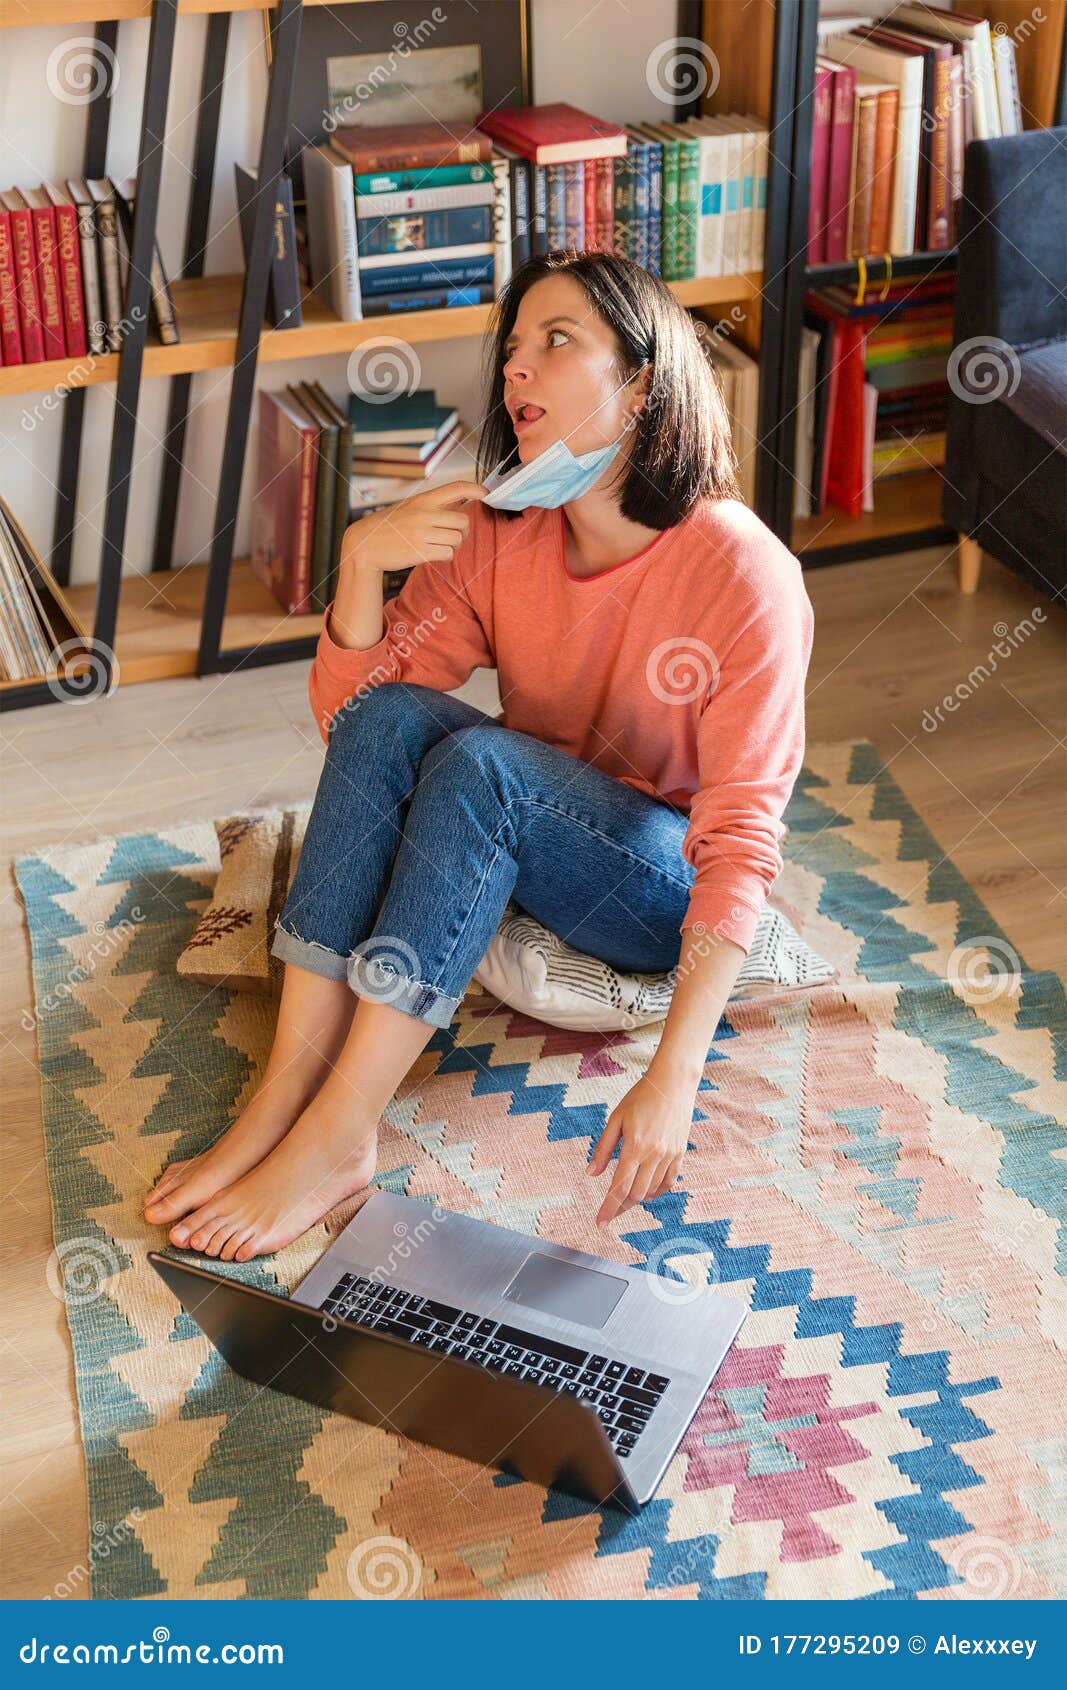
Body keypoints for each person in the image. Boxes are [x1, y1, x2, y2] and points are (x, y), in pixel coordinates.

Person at [144, 250, 814, 1263]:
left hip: (653, 886)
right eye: (512, 348)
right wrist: (361, 562)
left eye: (556, 340)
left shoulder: (741, 571)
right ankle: (285, 1089)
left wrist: (673, 1073)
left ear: (642, 385)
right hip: (526, 821)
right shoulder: (502, 530)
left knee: (482, 766)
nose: (515, 368)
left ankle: (339, 1134)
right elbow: (356, 726)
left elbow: (740, 840)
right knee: (396, 721)